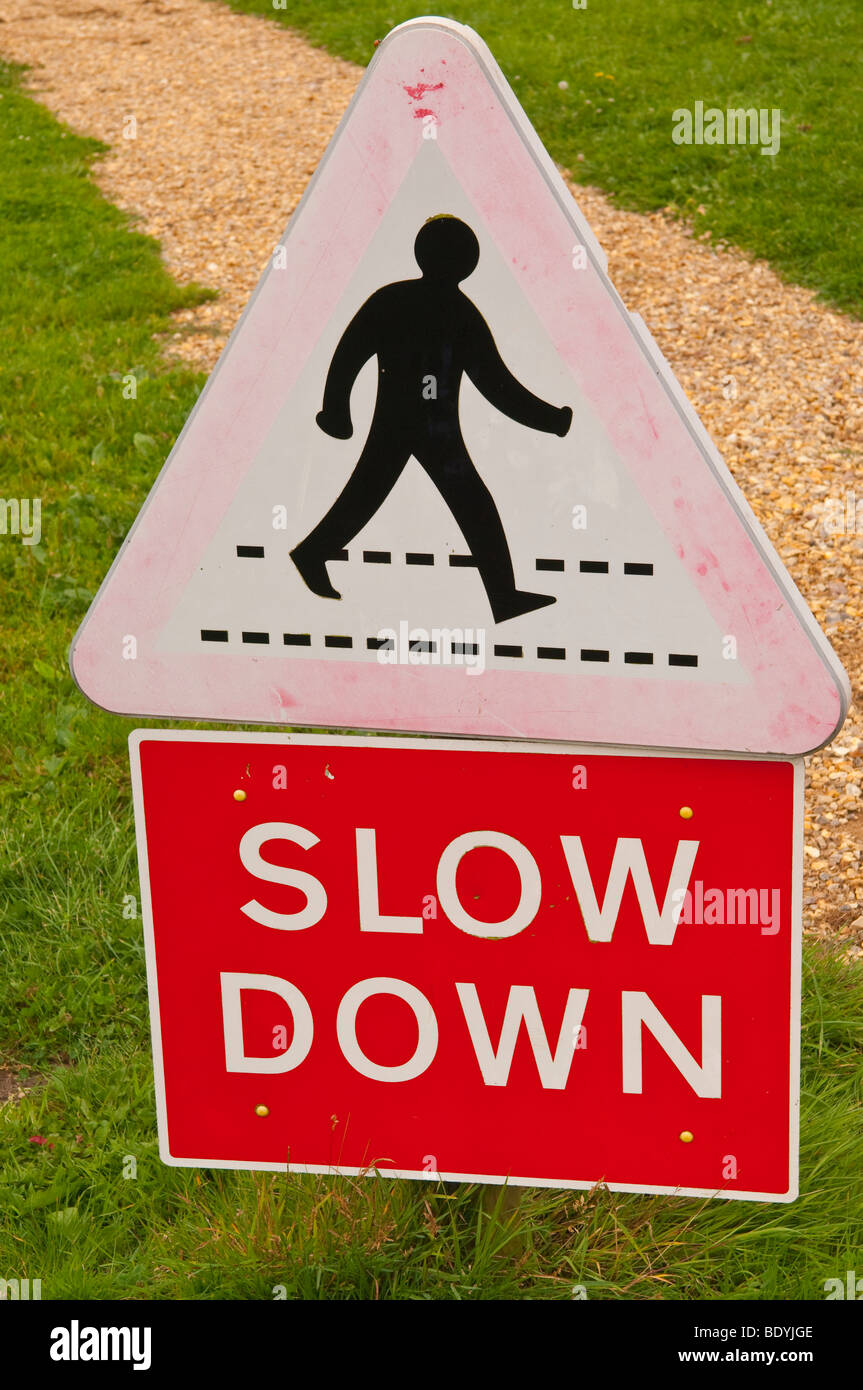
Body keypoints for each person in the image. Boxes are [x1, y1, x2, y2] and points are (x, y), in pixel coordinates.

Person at [291, 214, 572, 624]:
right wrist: (552, 420)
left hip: (418, 425)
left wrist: (337, 410)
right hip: (429, 427)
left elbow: (350, 356)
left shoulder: (397, 300)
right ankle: (504, 597)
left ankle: (313, 553)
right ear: (468, 263)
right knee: (462, 501)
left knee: (375, 494)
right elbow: (496, 385)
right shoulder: (456, 312)